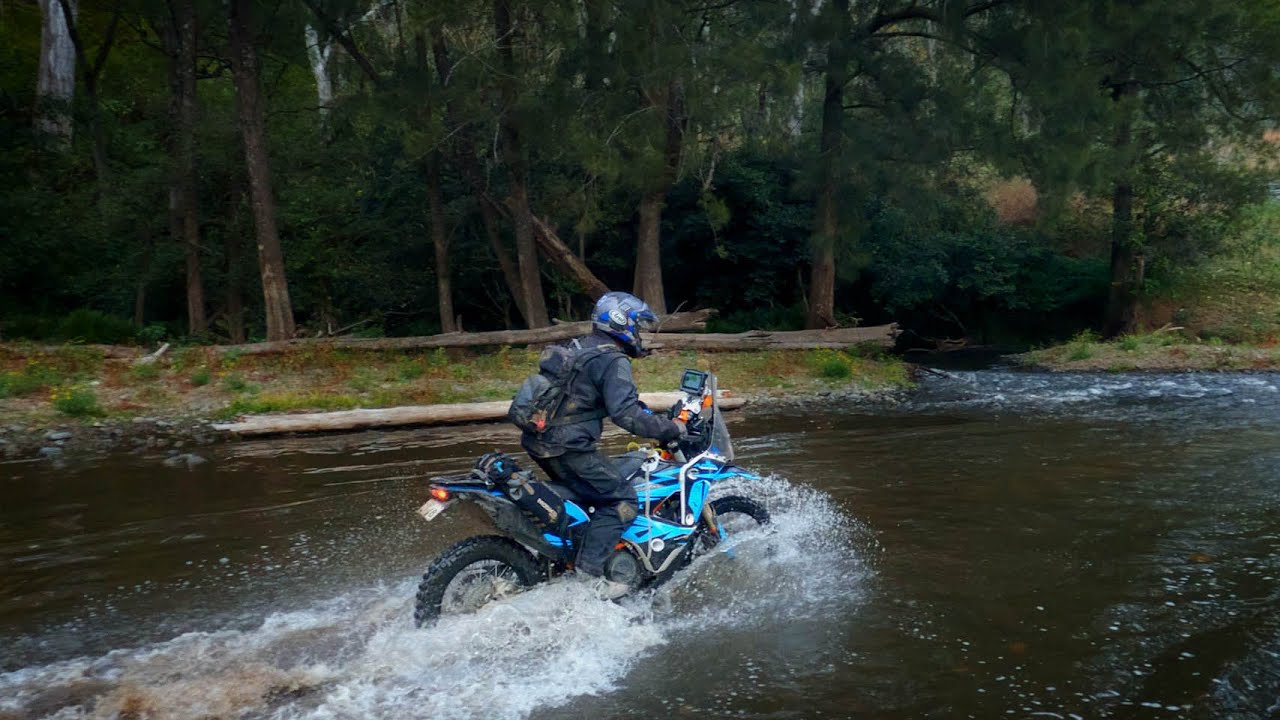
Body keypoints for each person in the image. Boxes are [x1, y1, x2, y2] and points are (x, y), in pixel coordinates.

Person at [519, 291, 685, 599]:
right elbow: (626, 415)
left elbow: (611, 402)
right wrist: (670, 427)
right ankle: (588, 580)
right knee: (621, 500)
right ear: (622, 322)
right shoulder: (612, 358)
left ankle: (566, 558)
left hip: (541, 442)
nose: (640, 333)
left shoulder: (579, 347)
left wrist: (651, 416)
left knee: (589, 492)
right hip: (568, 447)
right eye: (638, 325)